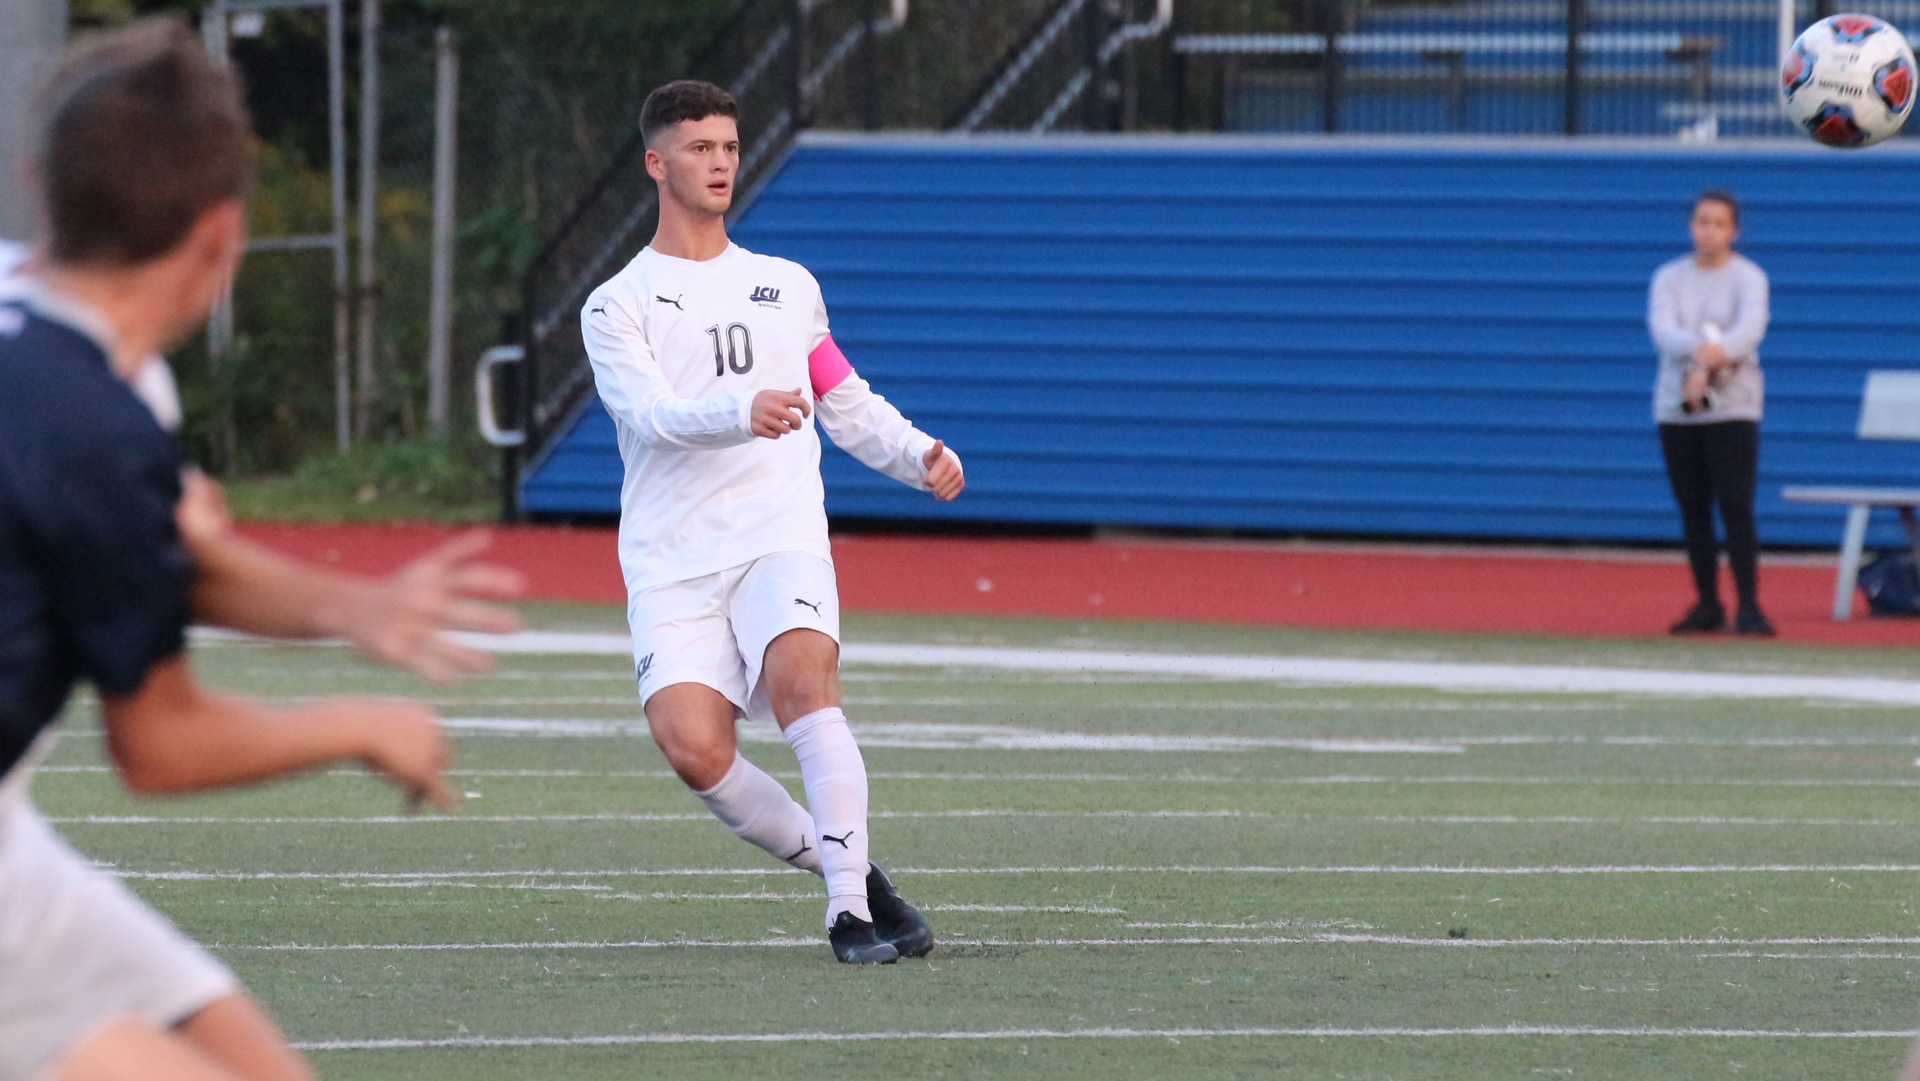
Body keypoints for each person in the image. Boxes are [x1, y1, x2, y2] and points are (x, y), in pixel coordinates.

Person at [1, 20, 522, 1081]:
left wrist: (350, 609)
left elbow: (116, 550)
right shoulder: (100, 424)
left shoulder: (79, 368)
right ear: (219, 240)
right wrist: (361, 721)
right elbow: (159, 744)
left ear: (36, 183)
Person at [581, 79, 965, 965]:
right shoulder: (617, 303)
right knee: (692, 747)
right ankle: (864, 880)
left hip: (778, 535)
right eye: (699, 147)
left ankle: (846, 915)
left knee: (804, 684)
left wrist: (917, 456)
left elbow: (844, 397)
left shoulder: (786, 287)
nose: (720, 162)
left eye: (728, 146)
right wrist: (739, 407)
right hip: (671, 558)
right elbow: (649, 416)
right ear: (656, 163)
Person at [1646, 189, 1775, 637]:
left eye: (1719, 223)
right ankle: (1707, 604)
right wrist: (1697, 356)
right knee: (1693, 507)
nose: (1709, 230)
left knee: (1736, 505)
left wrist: (1710, 362)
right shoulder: (1669, 277)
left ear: (1734, 230)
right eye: (1702, 221)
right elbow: (1664, 331)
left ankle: (1750, 606)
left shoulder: (1749, 277)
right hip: (1677, 409)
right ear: (1691, 226)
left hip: (1733, 409)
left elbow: (1748, 331)